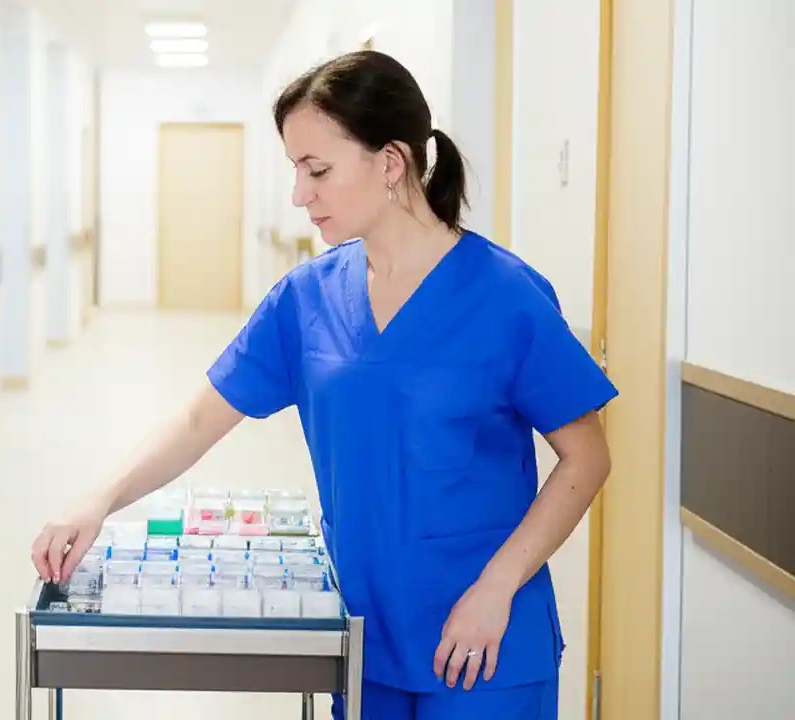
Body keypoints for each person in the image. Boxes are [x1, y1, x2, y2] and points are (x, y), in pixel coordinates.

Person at [30, 50, 616, 720]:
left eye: (318, 170)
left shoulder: (506, 297)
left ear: (390, 163)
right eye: (295, 170)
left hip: (485, 642)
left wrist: (498, 587)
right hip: (362, 635)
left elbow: (588, 458)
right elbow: (197, 421)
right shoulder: (306, 299)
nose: (299, 194)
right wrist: (97, 502)